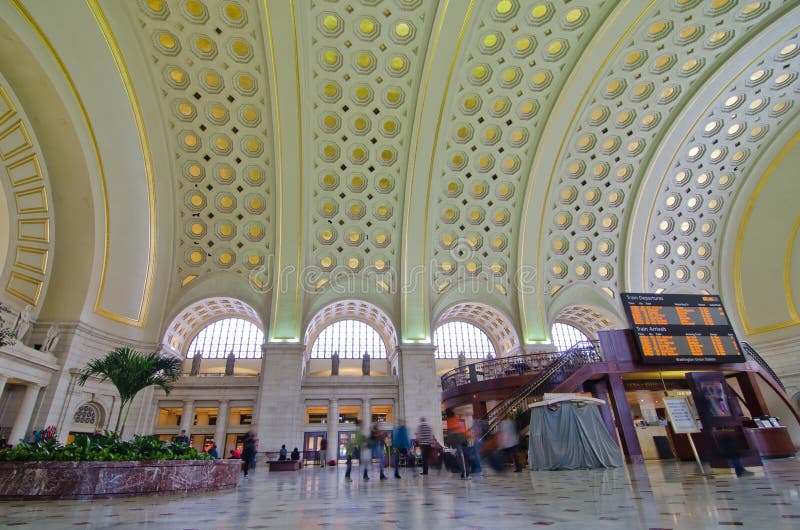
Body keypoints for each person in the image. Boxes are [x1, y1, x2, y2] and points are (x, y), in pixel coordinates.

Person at [445, 408, 470, 479]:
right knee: (462, 457)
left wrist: (448, 442)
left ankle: (464, 472)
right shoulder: (455, 419)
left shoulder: (450, 420)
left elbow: (452, 432)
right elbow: (461, 429)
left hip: (457, 441)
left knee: (460, 457)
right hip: (462, 440)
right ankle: (465, 471)